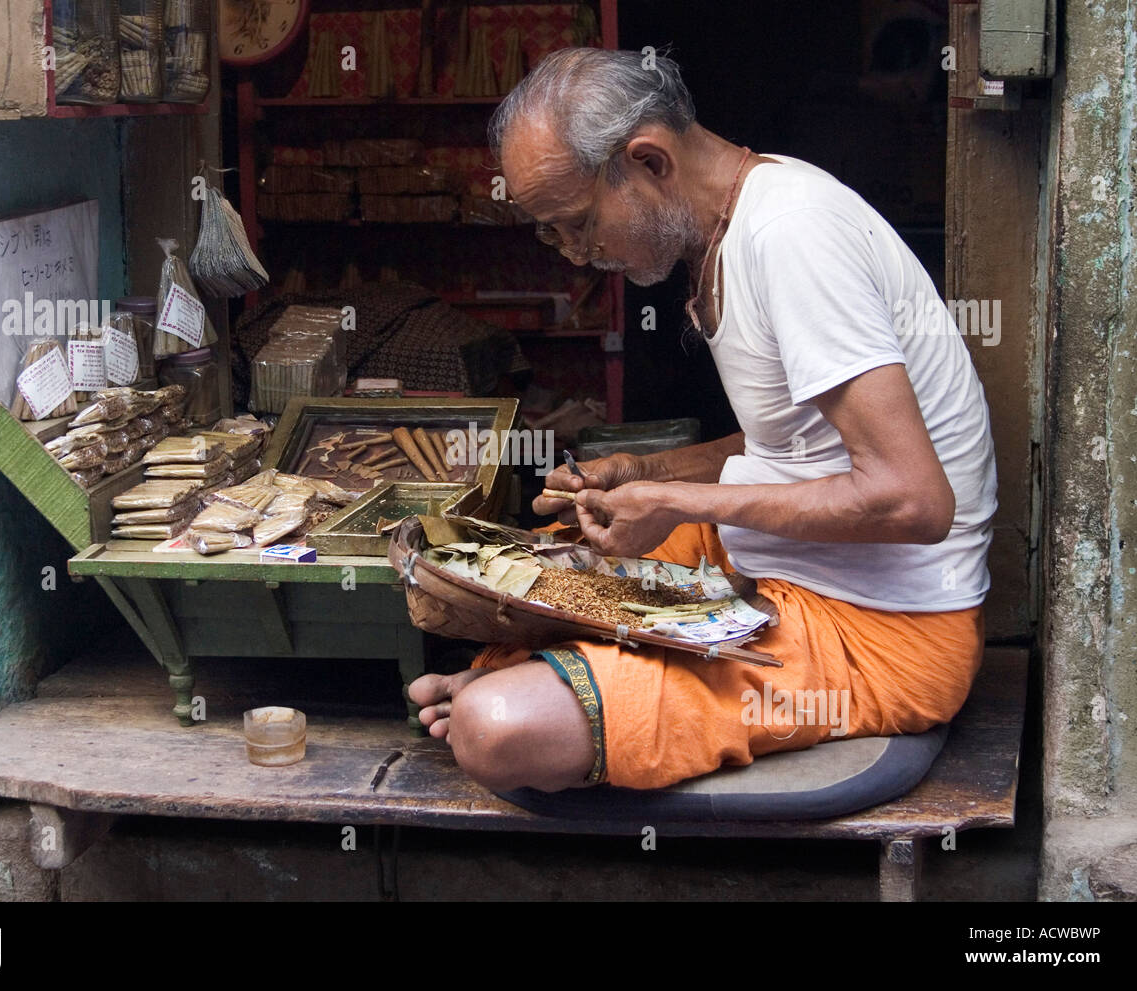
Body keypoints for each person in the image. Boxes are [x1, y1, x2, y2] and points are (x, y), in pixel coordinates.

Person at [409, 48, 997, 793]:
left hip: (881, 626)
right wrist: (646, 472)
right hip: (780, 562)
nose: (578, 256)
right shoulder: (737, 222)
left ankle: (539, 689)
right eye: (554, 235)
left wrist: (678, 500)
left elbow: (914, 501)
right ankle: (557, 676)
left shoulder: (792, 235)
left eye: (578, 224)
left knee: (497, 727)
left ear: (649, 161)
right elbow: (798, 441)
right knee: (541, 563)